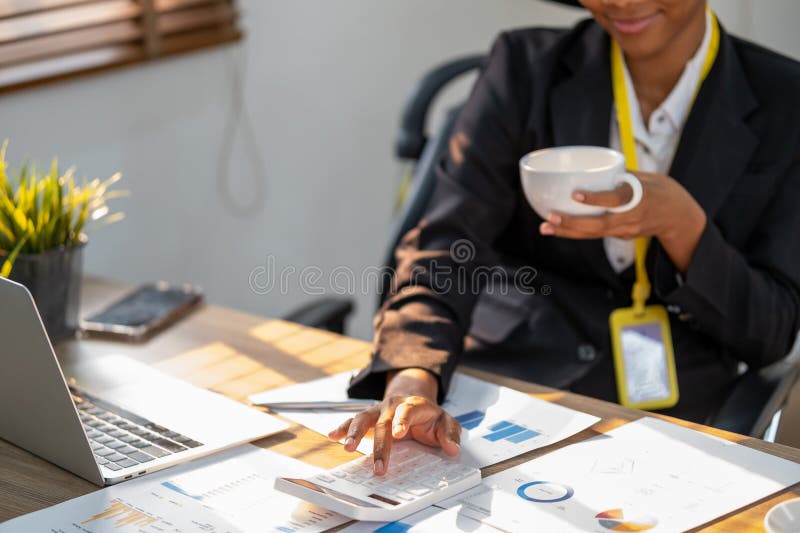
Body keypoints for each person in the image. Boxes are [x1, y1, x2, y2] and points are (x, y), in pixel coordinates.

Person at [329, 0, 800, 476]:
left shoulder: (787, 100)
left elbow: (771, 332)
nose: (620, 2)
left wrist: (683, 228)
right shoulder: (524, 66)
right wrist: (413, 378)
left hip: (667, 418)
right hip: (506, 382)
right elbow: (447, 247)